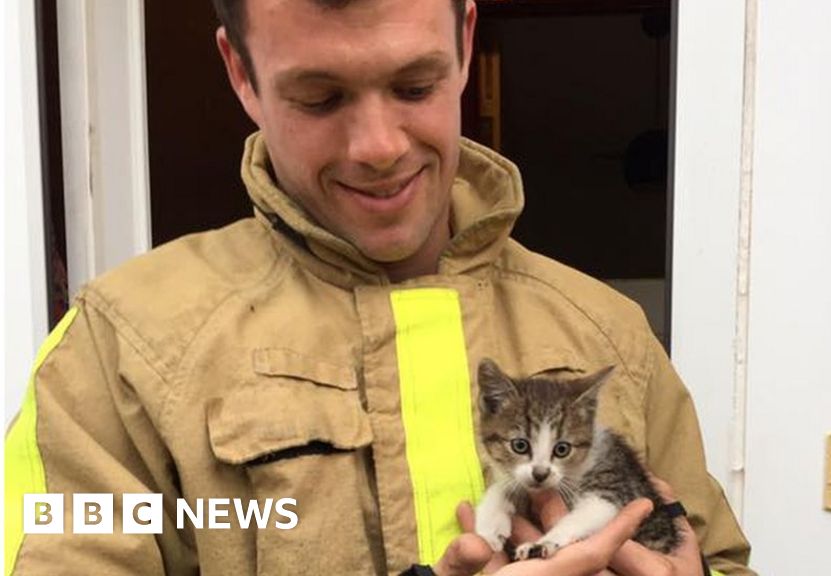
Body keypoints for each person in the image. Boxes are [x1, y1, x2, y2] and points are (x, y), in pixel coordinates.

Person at [3, 0, 754, 574]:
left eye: (414, 85)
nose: (378, 147)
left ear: (465, 42)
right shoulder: (122, 345)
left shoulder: (608, 330)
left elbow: (718, 557)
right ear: (241, 73)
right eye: (320, 98)